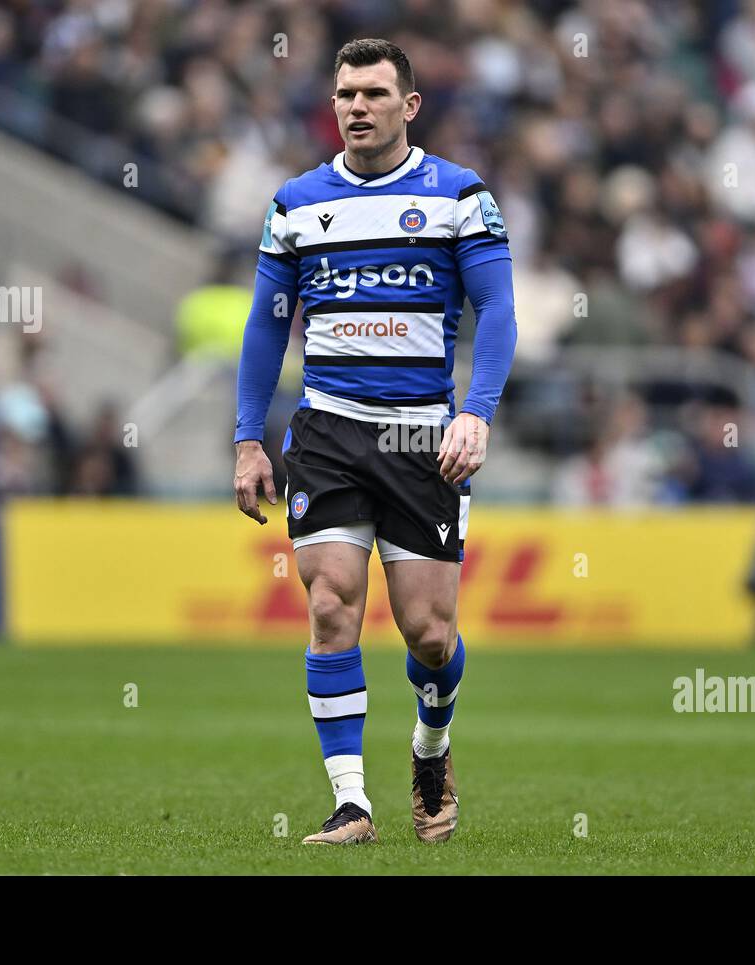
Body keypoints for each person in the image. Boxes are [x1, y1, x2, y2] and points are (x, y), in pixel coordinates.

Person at [232, 39, 516, 842]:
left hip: (421, 433)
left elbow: (497, 311)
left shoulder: (460, 195)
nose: (357, 106)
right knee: (330, 606)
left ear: (409, 106)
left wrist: (479, 412)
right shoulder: (295, 203)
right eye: (346, 94)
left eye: (374, 93)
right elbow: (266, 325)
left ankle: (432, 747)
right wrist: (250, 439)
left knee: (430, 632)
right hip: (325, 429)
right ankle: (352, 801)